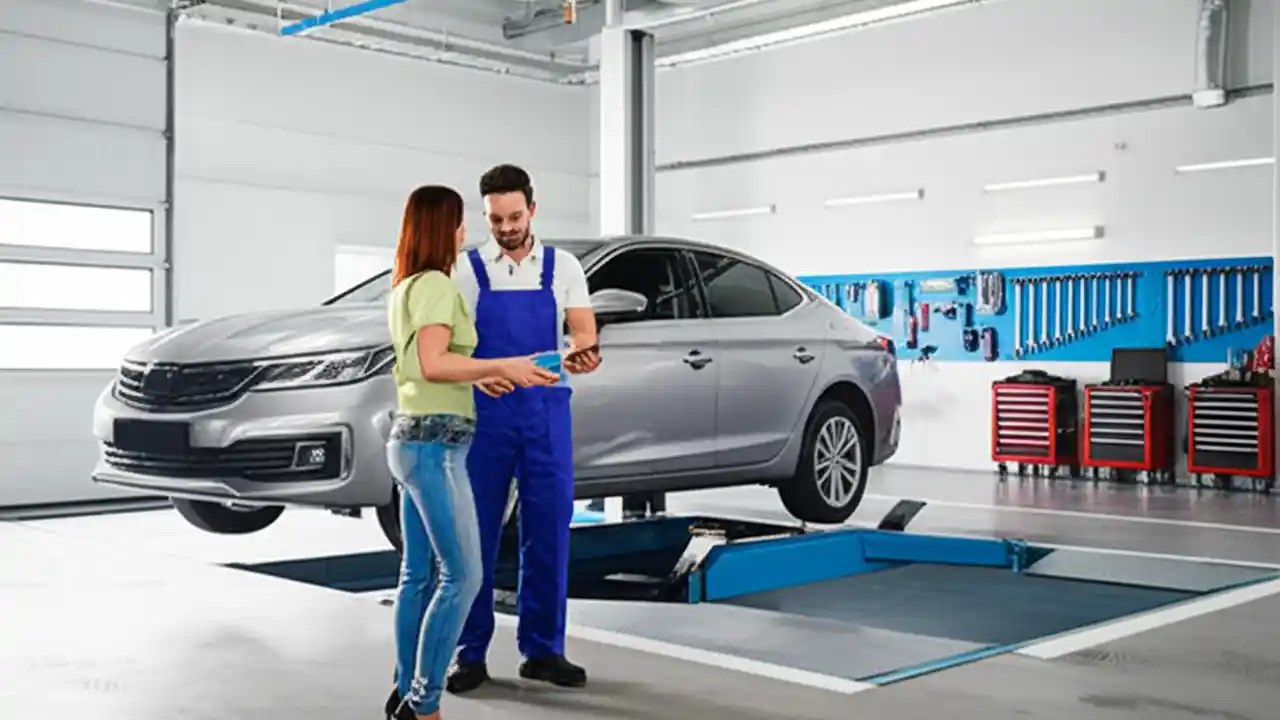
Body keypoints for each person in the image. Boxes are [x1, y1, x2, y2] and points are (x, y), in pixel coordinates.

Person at [383, 184, 560, 720]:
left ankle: (404, 689)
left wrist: (477, 379)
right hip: (437, 447)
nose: (466, 232)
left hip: (410, 438)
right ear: (444, 228)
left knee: (417, 577)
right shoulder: (438, 284)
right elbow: (434, 362)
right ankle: (424, 705)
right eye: (459, 222)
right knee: (463, 577)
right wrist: (502, 366)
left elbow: (424, 366)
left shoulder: (406, 285)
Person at [446, 164, 602, 693]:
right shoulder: (465, 271)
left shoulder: (564, 267)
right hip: (485, 412)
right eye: (496, 219)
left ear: (532, 210)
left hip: (547, 411)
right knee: (475, 533)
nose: (507, 227)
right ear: (485, 215)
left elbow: (582, 333)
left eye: (515, 216)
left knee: (550, 528)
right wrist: (479, 374)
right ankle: (469, 653)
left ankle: (543, 650)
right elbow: (452, 349)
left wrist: (584, 354)